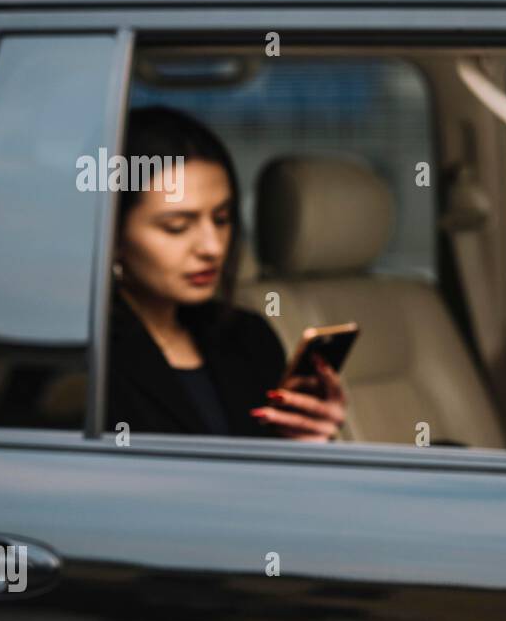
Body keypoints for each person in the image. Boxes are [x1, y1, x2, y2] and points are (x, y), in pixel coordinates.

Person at [107, 106, 347, 442]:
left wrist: (306, 444)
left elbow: (268, 481)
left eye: (221, 219)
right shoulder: (84, 364)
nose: (213, 247)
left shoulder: (248, 338)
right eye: (177, 227)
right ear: (112, 236)